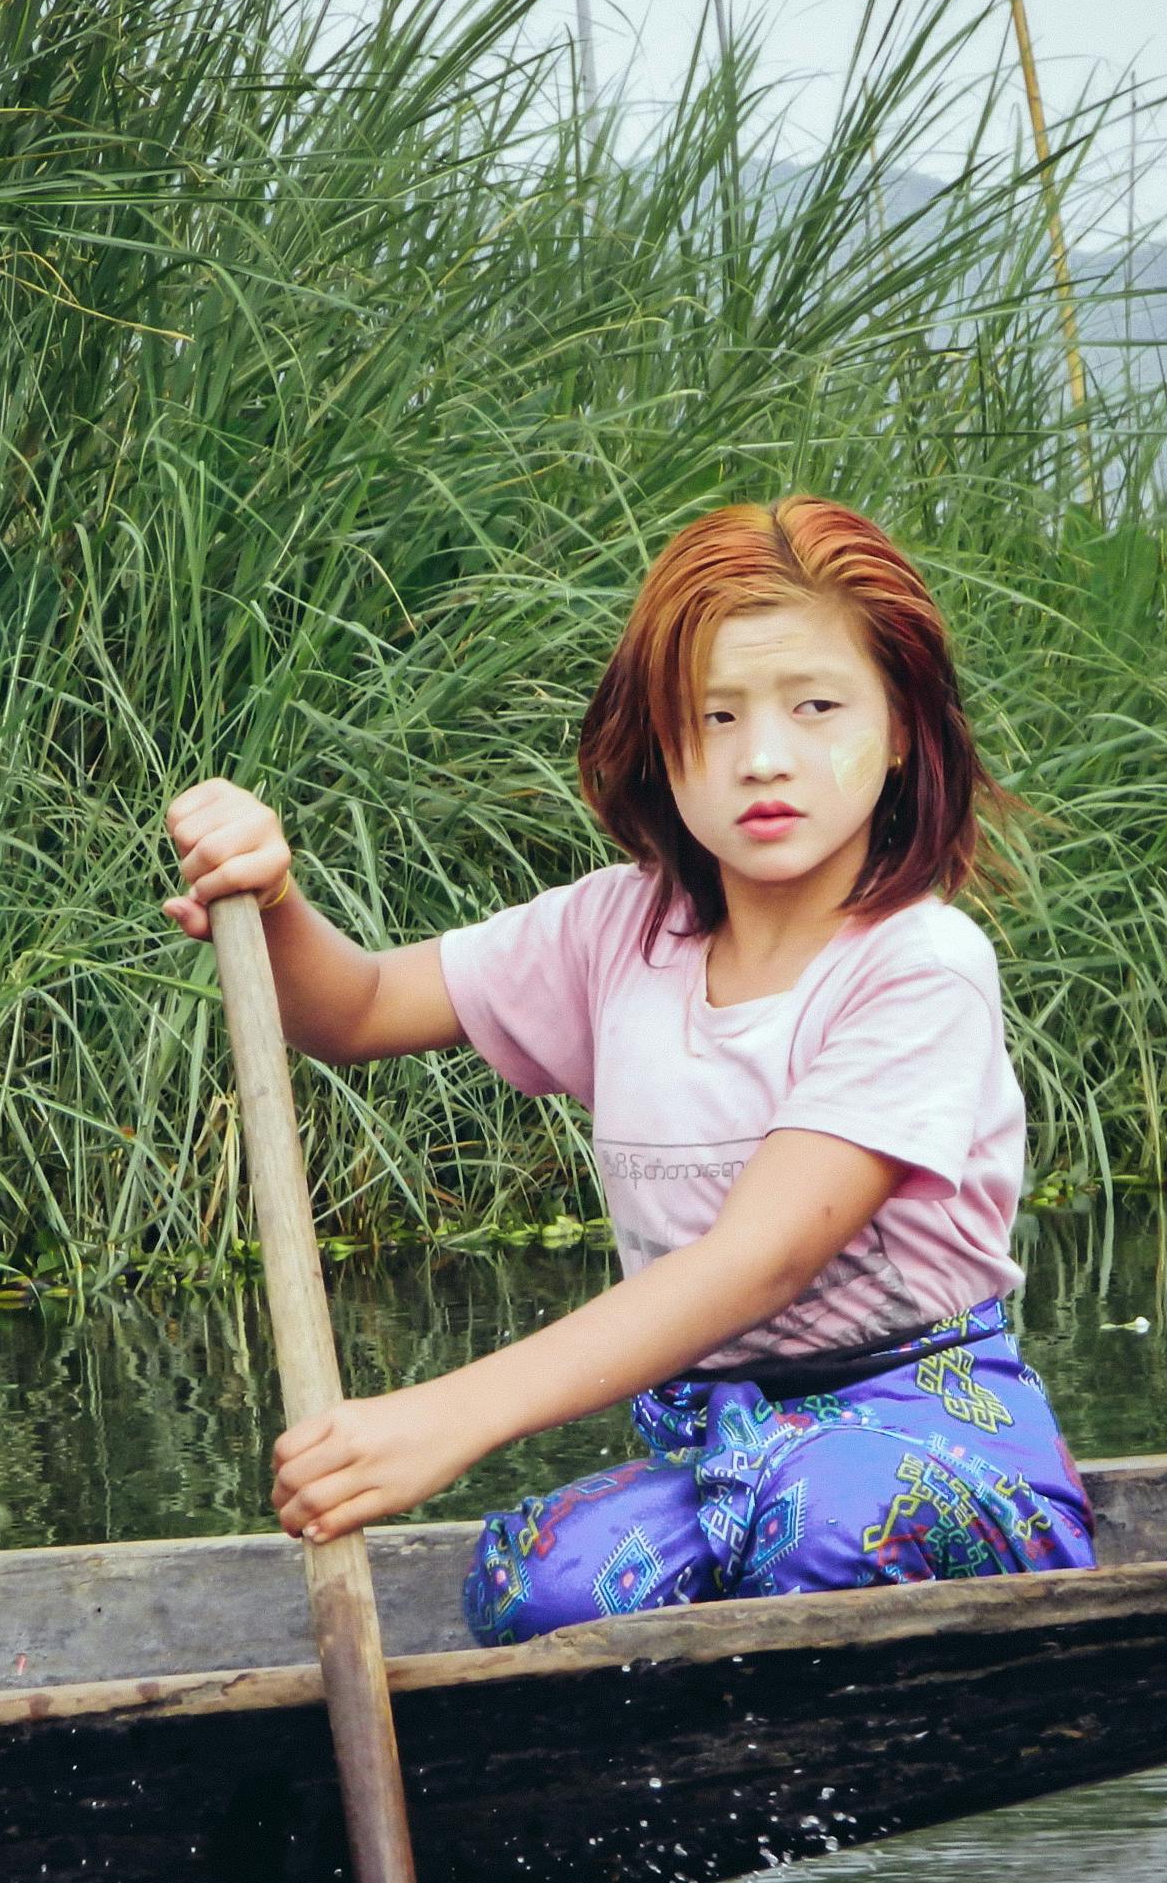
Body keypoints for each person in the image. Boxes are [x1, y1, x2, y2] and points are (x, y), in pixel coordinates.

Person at [161, 497, 1094, 1645]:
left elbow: (759, 1261)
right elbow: (350, 1008)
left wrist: (445, 1418)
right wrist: (273, 894)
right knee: (536, 1592)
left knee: (814, 1525)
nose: (763, 757)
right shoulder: (618, 933)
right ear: (657, 741)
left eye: (816, 707)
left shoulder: (917, 964)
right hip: (713, 1446)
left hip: (925, 1435)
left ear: (899, 728)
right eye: (712, 715)